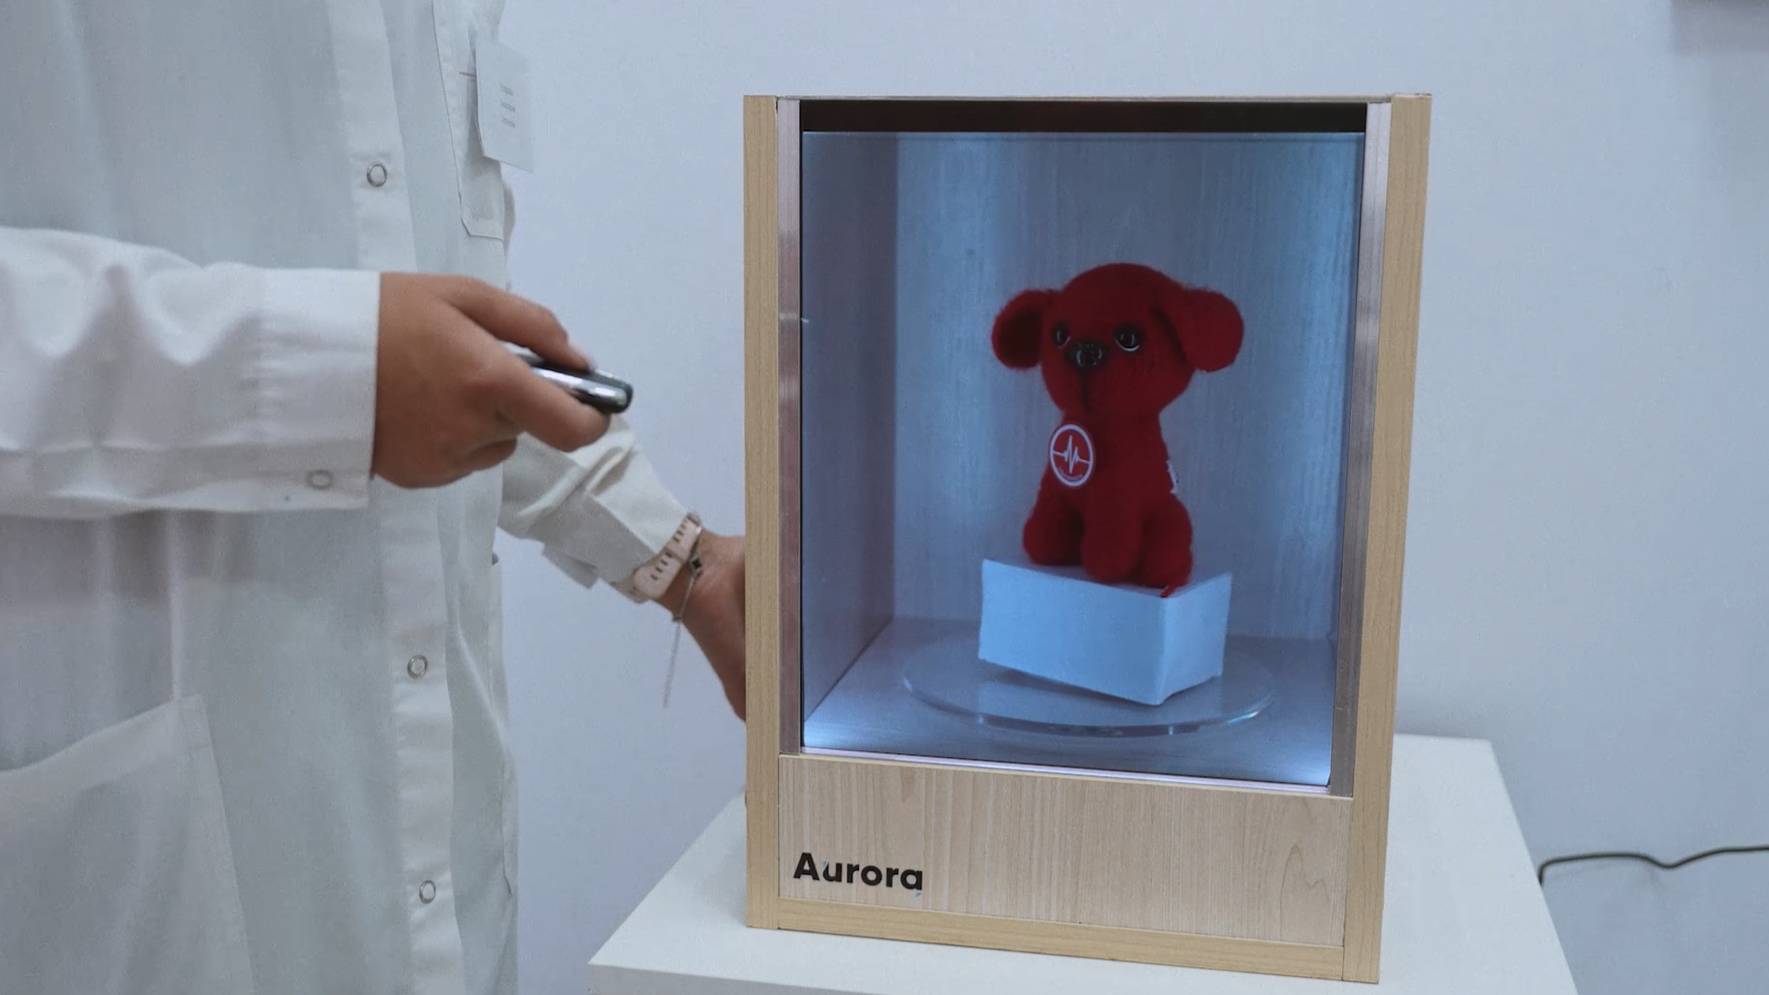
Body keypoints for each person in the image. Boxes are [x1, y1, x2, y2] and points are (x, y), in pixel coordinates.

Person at [0, 3, 743, 993]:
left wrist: (678, 554)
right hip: (137, 812)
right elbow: (382, 351)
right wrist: (325, 373)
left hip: (442, 825)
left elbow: (447, 332)